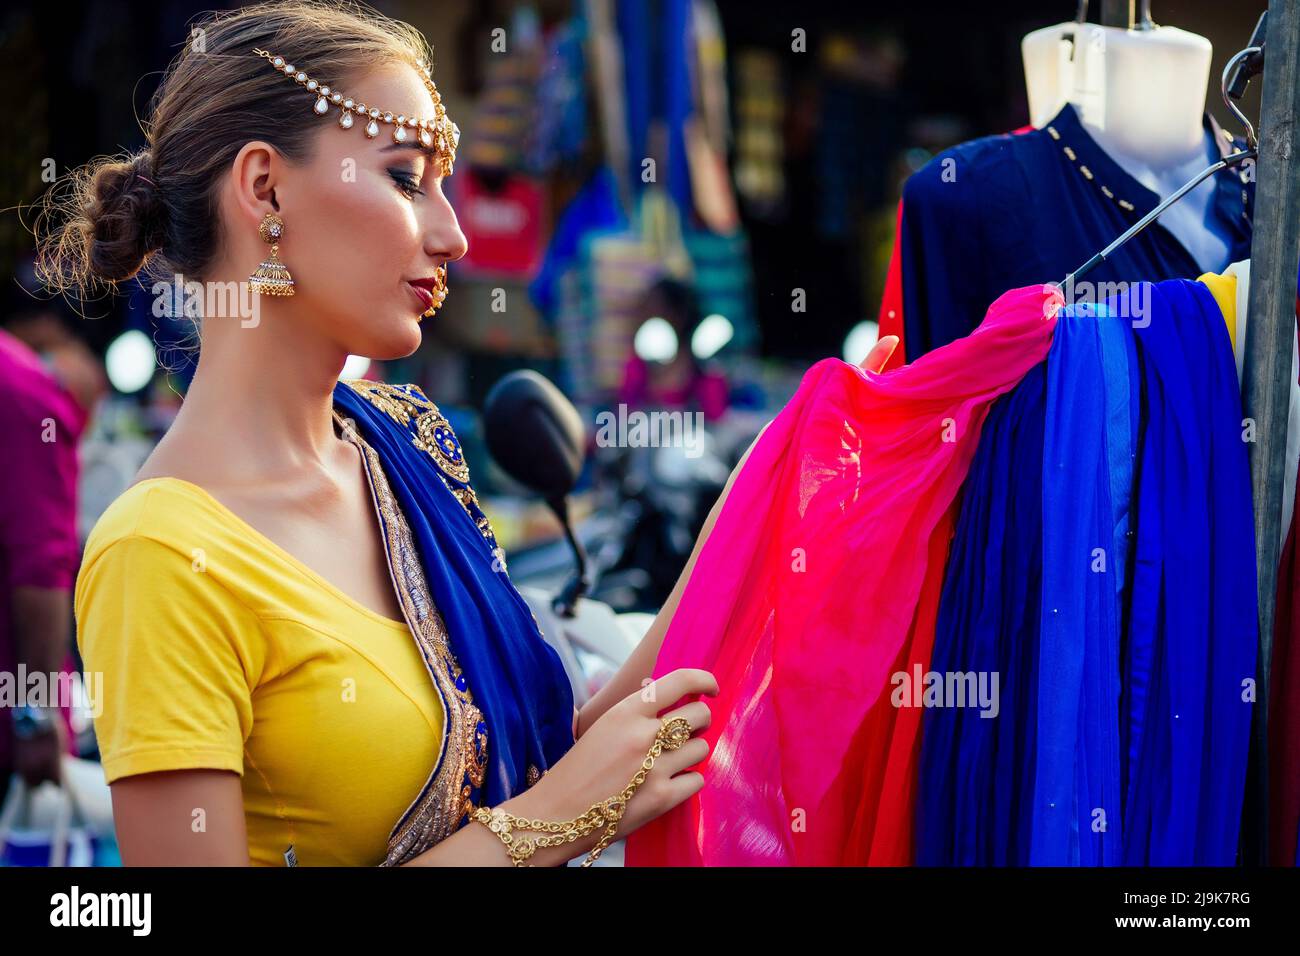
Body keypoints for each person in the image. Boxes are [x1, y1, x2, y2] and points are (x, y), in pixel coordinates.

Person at [36, 0, 897, 867]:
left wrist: (781, 475)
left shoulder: (405, 441)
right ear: (266, 189)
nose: (451, 236)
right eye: (406, 178)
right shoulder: (161, 554)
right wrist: (554, 822)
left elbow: (539, 767)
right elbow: (551, 804)